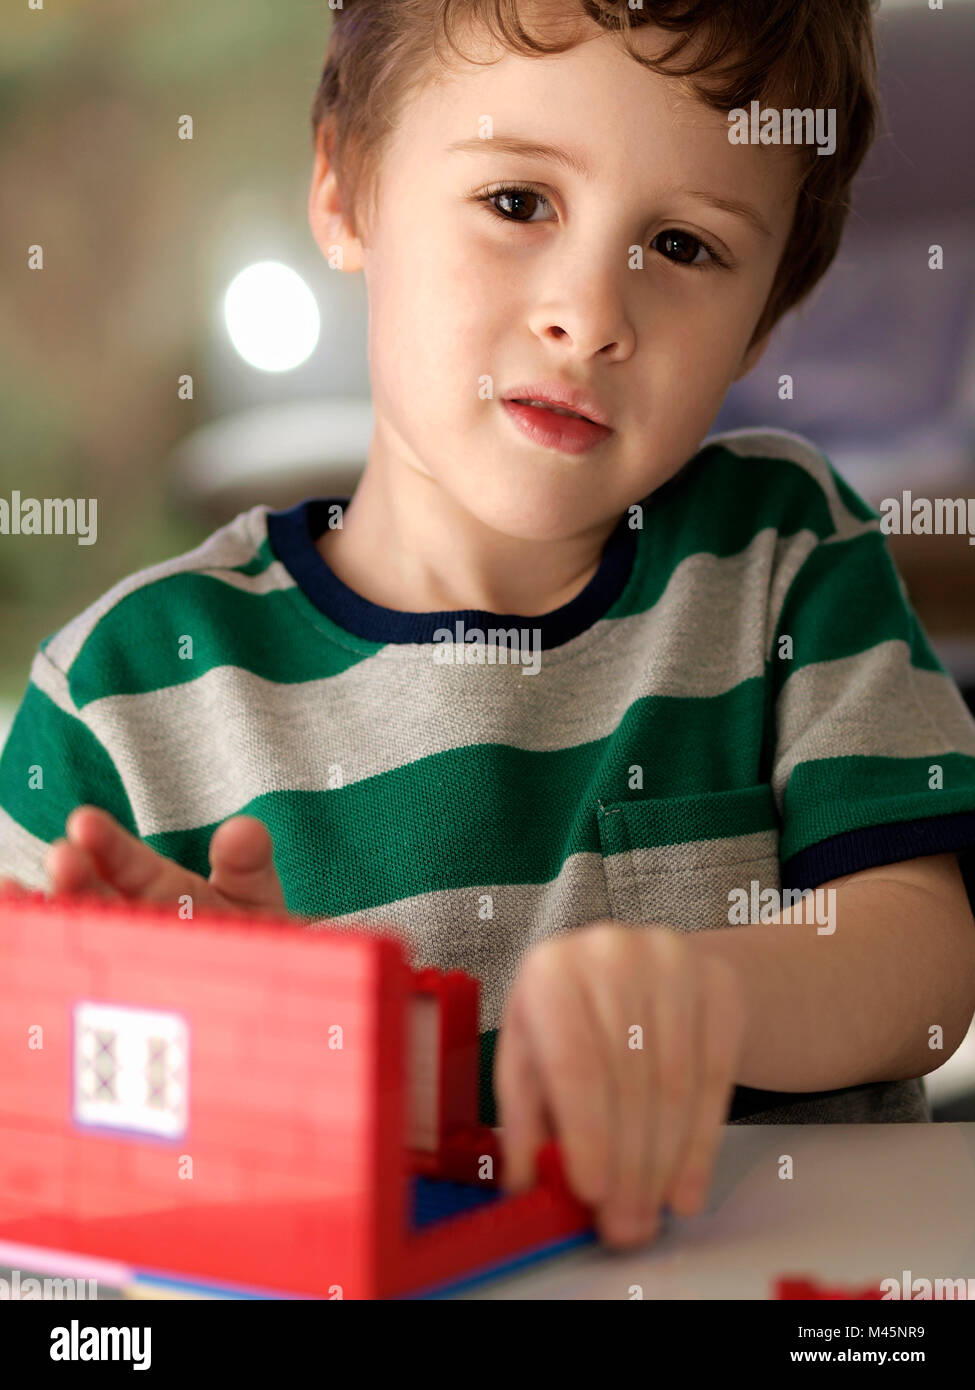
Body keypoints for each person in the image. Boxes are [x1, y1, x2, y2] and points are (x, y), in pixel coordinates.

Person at [3, 0, 975, 1251]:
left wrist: (701, 992)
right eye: (518, 202)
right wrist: (251, 1052)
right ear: (346, 187)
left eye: (682, 246)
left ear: (765, 318)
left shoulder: (784, 556)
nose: (588, 315)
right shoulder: (118, 700)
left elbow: (929, 969)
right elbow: (55, 1187)